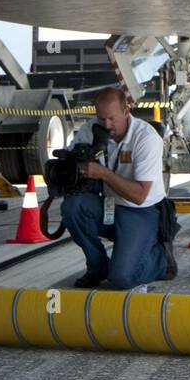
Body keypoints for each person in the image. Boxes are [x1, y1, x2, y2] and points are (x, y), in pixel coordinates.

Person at [61, 86, 175, 290]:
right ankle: (97, 267)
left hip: (141, 211)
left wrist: (103, 173)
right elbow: (69, 164)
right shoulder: (91, 130)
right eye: (101, 118)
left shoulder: (146, 138)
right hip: (110, 205)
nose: (106, 125)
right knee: (72, 206)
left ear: (126, 111)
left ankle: (161, 259)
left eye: (112, 119)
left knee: (122, 278)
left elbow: (140, 196)